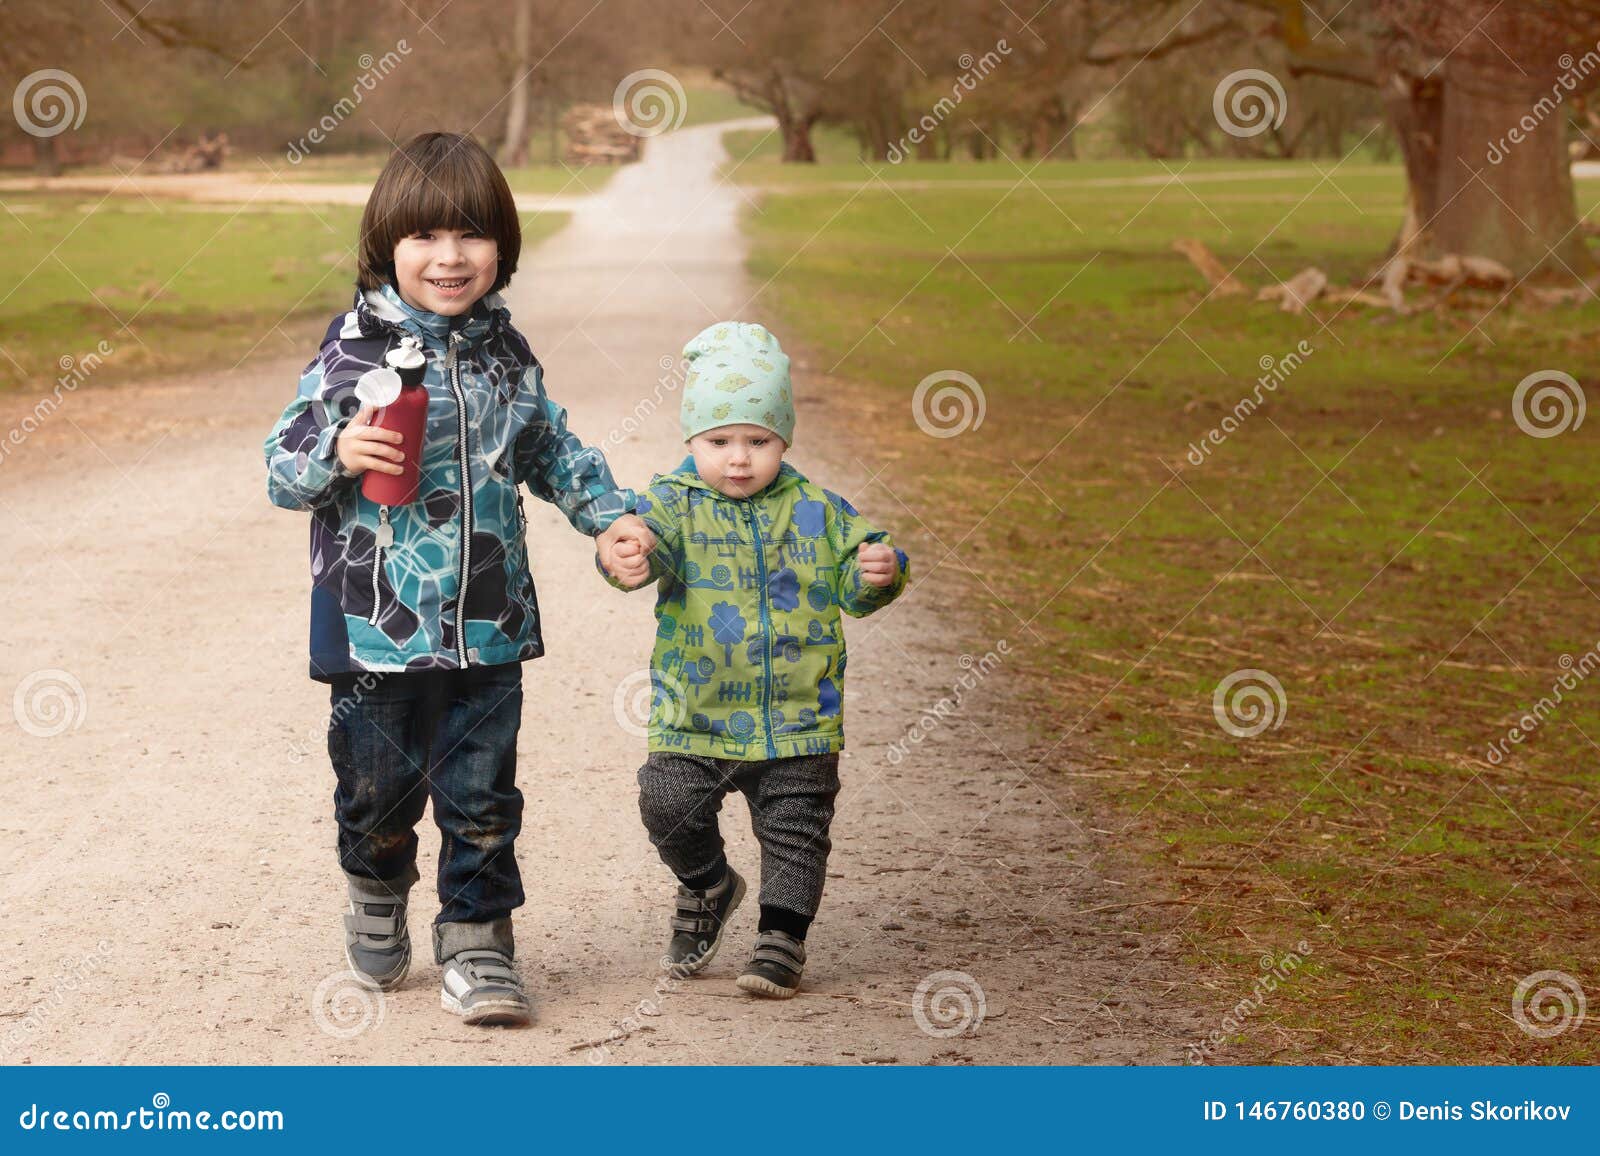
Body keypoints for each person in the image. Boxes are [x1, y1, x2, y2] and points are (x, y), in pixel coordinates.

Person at [263, 131, 653, 1027]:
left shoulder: (503, 353)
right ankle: (375, 882)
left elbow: (550, 448)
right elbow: (281, 468)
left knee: (482, 796)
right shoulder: (351, 353)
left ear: (502, 247)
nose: (449, 256)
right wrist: (336, 451)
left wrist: (610, 515)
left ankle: (478, 941)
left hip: (488, 621)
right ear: (385, 246)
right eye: (425, 236)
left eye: (472, 234)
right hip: (374, 629)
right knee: (377, 793)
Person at [601, 321, 909, 999]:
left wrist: (878, 572)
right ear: (691, 440)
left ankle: (781, 939)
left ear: (784, 440)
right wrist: (626, 555)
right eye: (719, 442)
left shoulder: (817, 510)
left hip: (799, 716)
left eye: (758, 441)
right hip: (697, 713)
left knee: (796, 831)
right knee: (666, 801)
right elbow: (637, 545)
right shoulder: (672, 505)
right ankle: (708, 883)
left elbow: (859, 579)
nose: (738, 459)